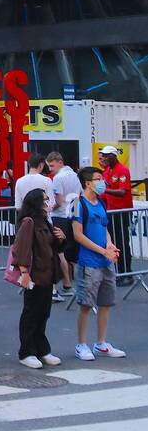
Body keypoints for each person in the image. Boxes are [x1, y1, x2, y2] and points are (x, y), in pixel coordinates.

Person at [71, 165, 125, 362]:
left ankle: (101, 343)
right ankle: (81, 344)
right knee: (86, 305)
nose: (102, 182)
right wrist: (102, 250)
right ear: (88, 183)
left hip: (105, 261)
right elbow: (78, 235)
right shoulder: (79, 204)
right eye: (98, 179)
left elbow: (105, 228)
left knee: (105, 303)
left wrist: (110, 245)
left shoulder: (101, 204)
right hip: (89, 262)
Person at [11, 186, 63, 369]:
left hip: (47, 275)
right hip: (34, 275)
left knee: (43, 313)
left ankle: (42, 349)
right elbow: (21, 249)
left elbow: (54, 247)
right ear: (36, 203)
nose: (48, 203)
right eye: (45, 200)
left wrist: (60, 237)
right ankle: (26, 351)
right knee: (31, 313)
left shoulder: (45, 222)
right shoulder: (29, 222)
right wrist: (24, 273)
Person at [46, 150, 80, 298]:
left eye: (52, 166)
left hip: (59, 217)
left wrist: (47, 209)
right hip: (73, 216)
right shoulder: (75, 175)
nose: (50, 169)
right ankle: (69, 284)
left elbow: (58, 202)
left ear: (60, 162)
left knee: (59, 252)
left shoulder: (58, 179)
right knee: (70, 251)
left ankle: (65, 284)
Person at [98, 146, 133, 278]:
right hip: (110, 211)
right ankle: (118, 270)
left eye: (107, 156)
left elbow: (122, 192)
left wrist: (104, 191)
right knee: (112, 242)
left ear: (114, 156)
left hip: (121, 212)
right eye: (103, 156)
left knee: (122, 242)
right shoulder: (107, 171)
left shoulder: (122, 170)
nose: (104, 158)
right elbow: (103, 192)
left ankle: (126, 272)